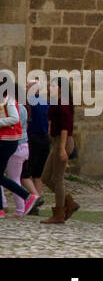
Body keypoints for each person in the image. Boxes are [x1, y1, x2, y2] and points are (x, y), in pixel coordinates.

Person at [40, 77, 77, 225]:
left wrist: (62, 149)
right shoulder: (57, 102)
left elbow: (65, 128)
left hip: (63, 141)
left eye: (53, 86)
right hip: (56, 142)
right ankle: (69, 202)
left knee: (58, 178)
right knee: (45, 177)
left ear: (61, 88)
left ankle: (59, 213)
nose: (50, 88)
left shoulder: (64, 104)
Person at [0, 92, 36, 217]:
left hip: (7, 141)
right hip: (5, 141)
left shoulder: (8, 100)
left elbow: (14, 118)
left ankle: (27, 196)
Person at [22, 77, 48, 215]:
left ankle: (35, 199)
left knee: (27, 173)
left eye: (27, 86)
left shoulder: (28, 104)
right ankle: (35, 206)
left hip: (33, 139)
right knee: (38, 174)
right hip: (45, 139)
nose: (26, 88)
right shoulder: (46, 103)